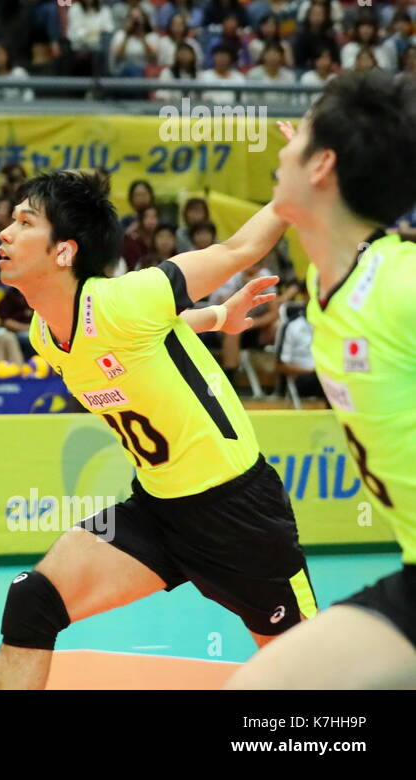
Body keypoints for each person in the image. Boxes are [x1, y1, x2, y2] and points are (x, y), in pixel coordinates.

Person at [0, 170, 317, 690]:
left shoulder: (126, 298)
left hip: (237, 514)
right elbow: (143, 342)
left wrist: (299, 190)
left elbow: (239, 247)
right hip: (157, 511)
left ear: (64, 252)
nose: (3, 232)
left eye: (24, 222)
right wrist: (213, 318)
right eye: (9, 221)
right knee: (33, 601)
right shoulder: (44, 333)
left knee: (310, 674)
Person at [227, 73, 416, 688]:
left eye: (297, 139)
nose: (280, 149)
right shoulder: (328, 283)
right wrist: (315, 164)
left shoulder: (400, 286)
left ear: (323, 165)